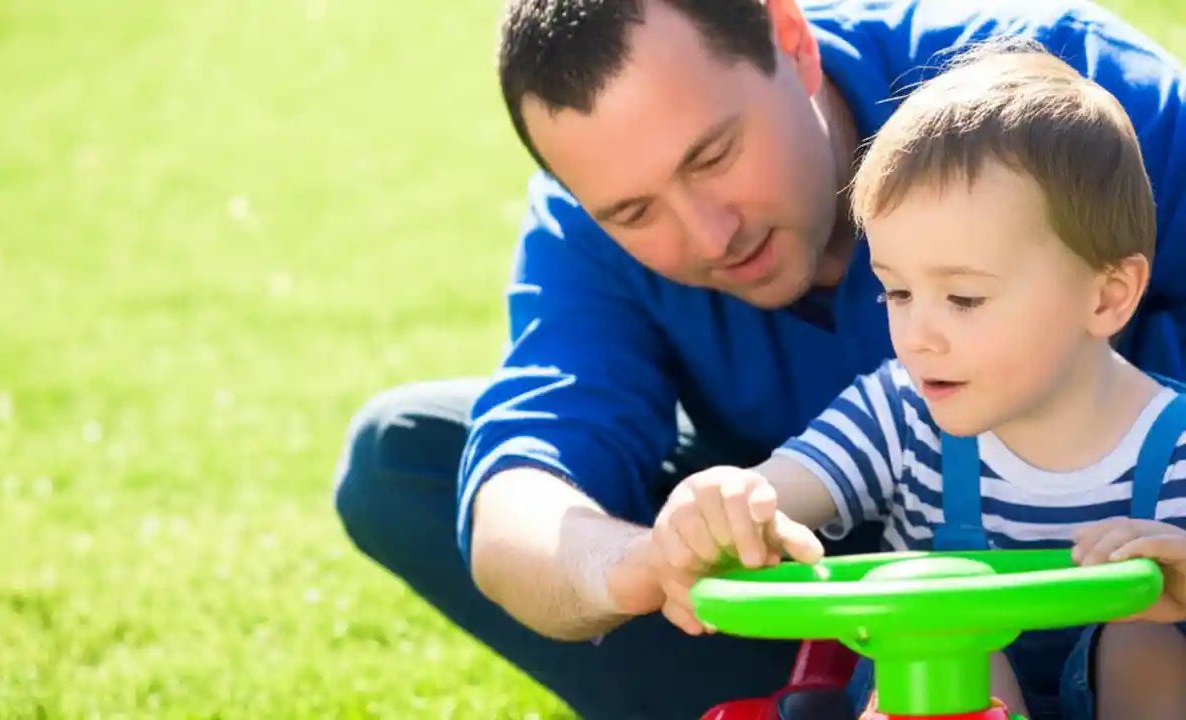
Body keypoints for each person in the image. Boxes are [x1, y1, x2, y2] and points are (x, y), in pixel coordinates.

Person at [333, 0, 1186, 716]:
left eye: (714, 156)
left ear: (792, 40)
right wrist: (651, 562)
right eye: (633, 212)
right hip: (838, 581)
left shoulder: (1066, 99)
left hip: (1140, 581)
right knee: (406, 452)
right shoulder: (586, 226)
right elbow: (524, 489)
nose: (711, 234)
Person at [650, 43, 1186, 720]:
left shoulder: (1175, 447)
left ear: (1107, 297)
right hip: (929, 691)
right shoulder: (900, 412)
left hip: (1124, 691)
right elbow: (782, 490)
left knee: (1146, 643)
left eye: (963, 299)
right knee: (957, 636)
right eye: (896, 294)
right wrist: (727, 504)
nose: (917, 335)